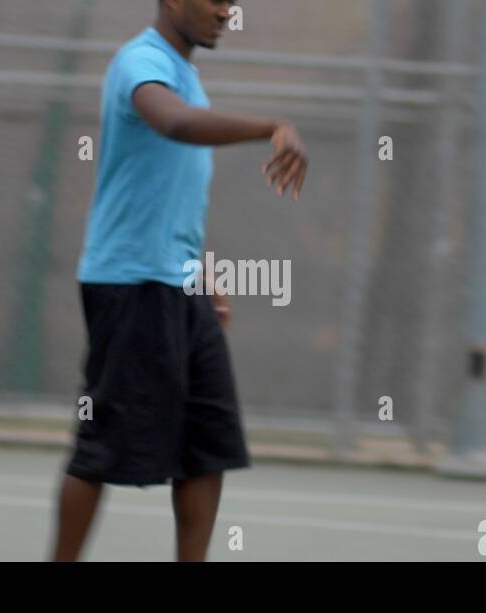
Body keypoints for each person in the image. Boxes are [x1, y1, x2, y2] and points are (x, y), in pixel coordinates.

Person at [52, 0, 308, 562]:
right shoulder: (140, 63)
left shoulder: (187, 75)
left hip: (180, 285)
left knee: (205, 448)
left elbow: (171, 194)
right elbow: (176, 124)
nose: (226, 11)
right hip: (129, 286)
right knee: (99, 451)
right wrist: (272, 125)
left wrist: (202, 270)